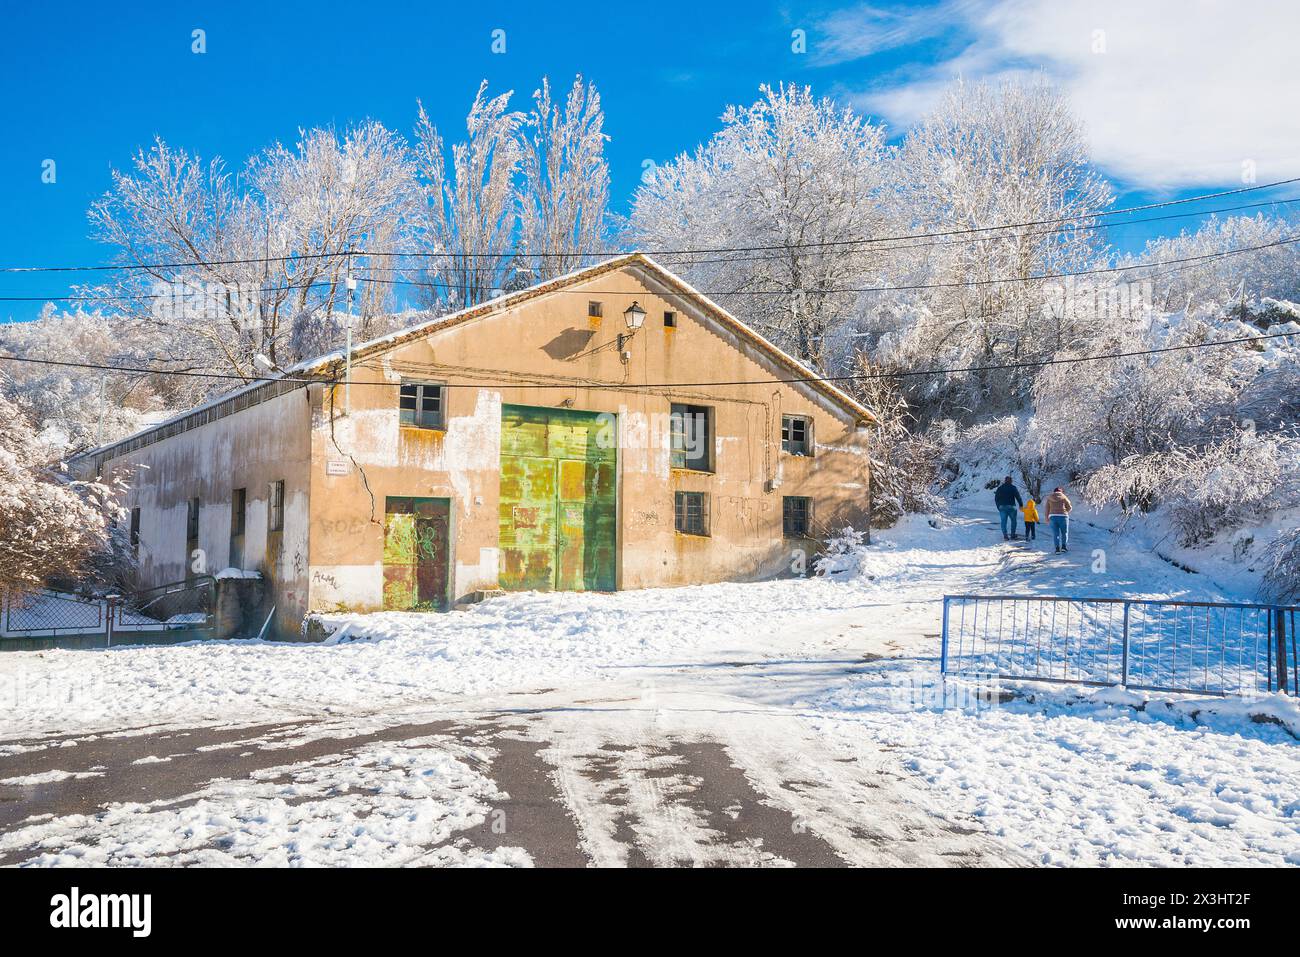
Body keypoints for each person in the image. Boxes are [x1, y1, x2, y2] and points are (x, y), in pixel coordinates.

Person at [993, 475, 1024, 541]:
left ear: (1005, 481)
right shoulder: (1013, 488)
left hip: (1002, 507)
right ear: (1011, 481)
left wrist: (998, 506)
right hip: (1011, 507)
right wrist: (1021, 504)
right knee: (1013, 521)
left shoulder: (1000, 488)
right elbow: (1018, 497)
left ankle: (1005, 535)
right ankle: (1012, 535)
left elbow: (996, 498)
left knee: (1003, 521)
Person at [1044, 486, 1072, 553]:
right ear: (1061, 492)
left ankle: (1057, 549)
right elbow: (1070, 507)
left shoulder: (1049, 498)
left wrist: (1046, 518)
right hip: (1063, 516)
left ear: (1054, 492)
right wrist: (1065, 511)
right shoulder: (1064, 497)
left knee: (1056, 533)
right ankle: (1063, 547)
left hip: (1052, 517)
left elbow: (1047, 509)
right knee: (1064, 532)